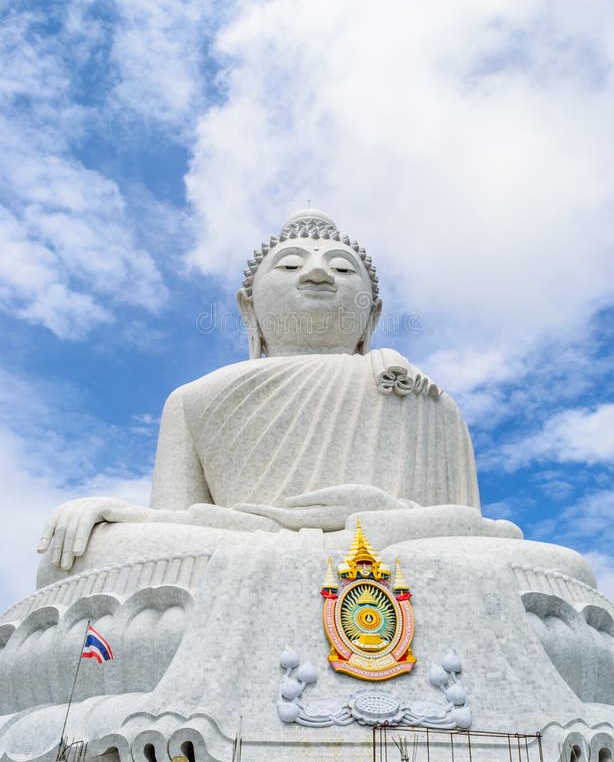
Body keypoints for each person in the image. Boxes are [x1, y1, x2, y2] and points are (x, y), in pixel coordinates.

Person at [37, 209, 497, 584]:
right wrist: (117, 516)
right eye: (292, 265)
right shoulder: (193, 399)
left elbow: (474, 532)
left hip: (383, 551)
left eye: (341, 268)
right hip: (244, 543)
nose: (318, 273)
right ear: (248, 307)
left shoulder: (419, 394)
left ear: (371, 316)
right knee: (92, 553)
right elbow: (176, 526)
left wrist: (381, 515)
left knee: (545, 561)